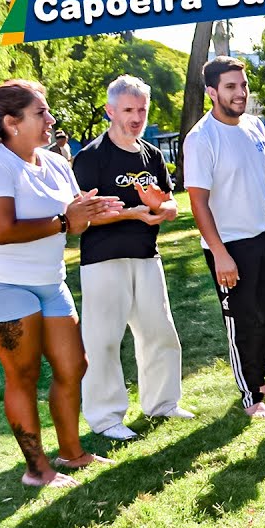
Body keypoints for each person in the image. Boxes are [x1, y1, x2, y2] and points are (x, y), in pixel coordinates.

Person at [0, 81, 121, 487]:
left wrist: (116, 211)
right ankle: (37, 470)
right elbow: (2, 229)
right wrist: (68, 221)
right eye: (41, 113)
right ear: (13, 123)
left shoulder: (54, 163)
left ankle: (73, 454)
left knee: (74, 365)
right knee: (24, 373)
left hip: (49, 281)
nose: (51, 120)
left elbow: (75, 218)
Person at [183, 57, 265, 419]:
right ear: (211, 92)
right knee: (243, 320)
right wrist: (220, 254)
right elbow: (198, 202)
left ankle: (259, 377)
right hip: (229, 246)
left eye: (243, 85)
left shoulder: (254, 126)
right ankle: (250, 394)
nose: (240, 93)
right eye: (231, 87)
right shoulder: (201, 138)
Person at [73, 75, 192, 441]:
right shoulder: (90, 157)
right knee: (103, 340)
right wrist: (135, 212)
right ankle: (106, 417)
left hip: (145, 255)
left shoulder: (151, 154)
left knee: (160, 331)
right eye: (128, 109)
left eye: (142, 108)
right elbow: (84, 216)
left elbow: (168, 199)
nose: (137, 116)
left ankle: (163, 403)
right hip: (103, 260)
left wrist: (165, 210)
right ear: (110, 111)